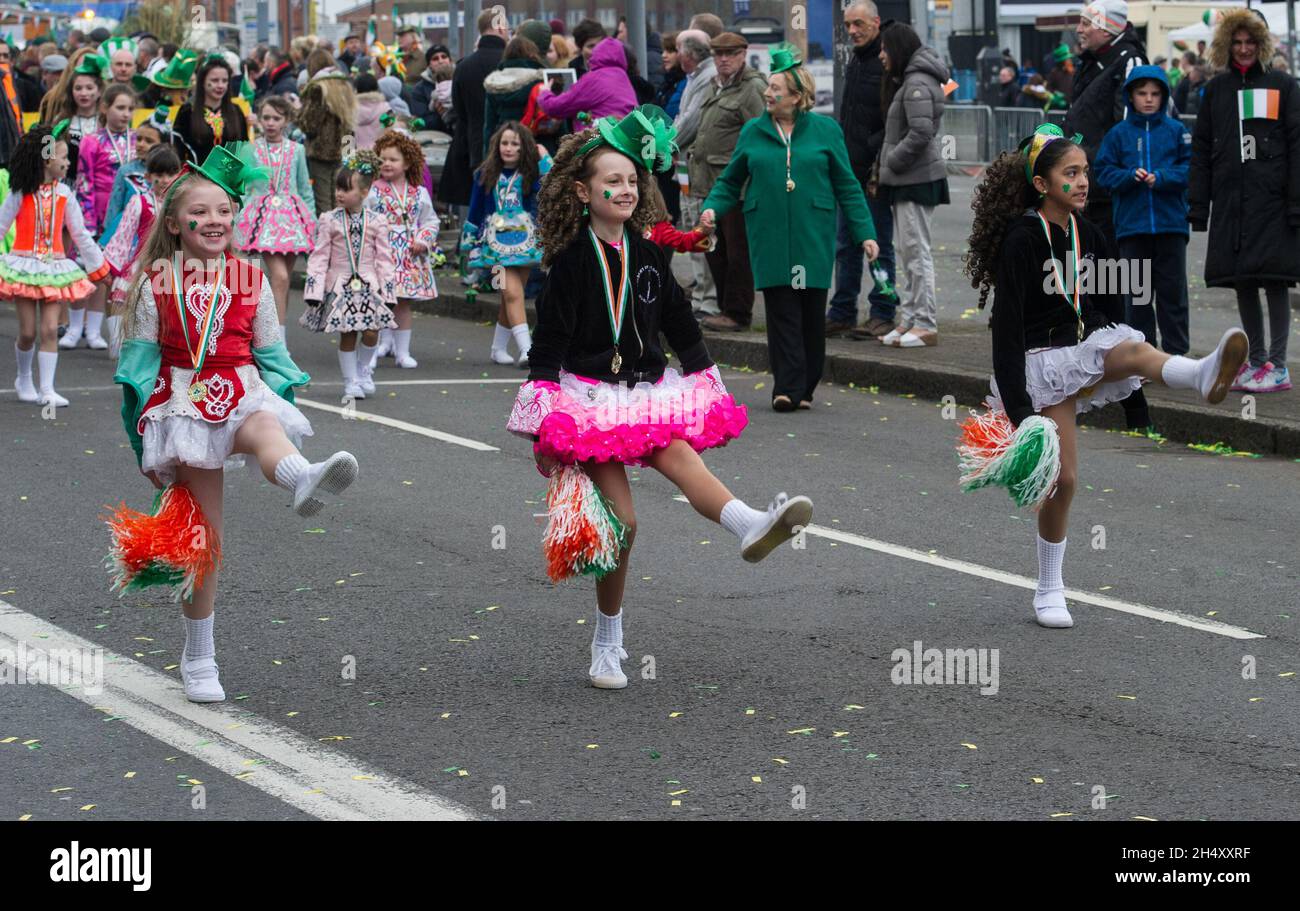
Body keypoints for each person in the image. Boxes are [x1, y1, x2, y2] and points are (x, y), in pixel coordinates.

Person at [507, 106, 809, 690]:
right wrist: (542, 416)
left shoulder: (648, 253)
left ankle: (748, 523)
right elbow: (547, 346)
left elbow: (679, 322)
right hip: (589, 402)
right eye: (611, 181)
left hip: (644, 392)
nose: (624, 189)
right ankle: (607, 638)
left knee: (681, 457)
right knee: (623, 523)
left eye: (630, 180)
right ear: (582, 190)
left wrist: (706, 378)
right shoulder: (569, 264)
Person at [962, 124, 1247, 629]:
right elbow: (1004, 334)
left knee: (1134, 347)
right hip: (1039, 366)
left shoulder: (1090, 234)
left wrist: (1136, 402)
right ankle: (1049, 588)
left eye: (1086, 172)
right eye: (1070, 173)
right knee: (1063, 481)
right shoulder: (1022, 239)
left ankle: (1201, 374)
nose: (1083, 181)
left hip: (1085, 348)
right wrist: (1024, 414)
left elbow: (1110, 312)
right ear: (1042, 183)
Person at [110, 144, 359, 703]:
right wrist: (143, 441)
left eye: (224, 210)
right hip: (182, 405)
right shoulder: (156, 281)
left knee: (266, 427)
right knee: (206, 539)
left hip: (242, 388)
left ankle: (302, 477)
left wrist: (284, 397)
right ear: (174, 225)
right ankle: (199, 655)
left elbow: (272, 355)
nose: (214, 221)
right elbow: (138, 368)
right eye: (200, 213)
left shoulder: (251, 279)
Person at [701, 44, 878, 411]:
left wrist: (866, 233)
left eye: (776, 89)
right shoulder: (753, 131)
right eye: (768, 87)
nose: (768, 93)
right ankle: (786, 387)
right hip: (768, 234)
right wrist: (712, 211)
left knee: (811, 313)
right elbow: (730, 182)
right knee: (781, 311)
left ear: (797, 96)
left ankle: (806, 385)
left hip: (812, 233)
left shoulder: (826, 130)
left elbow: (847, 184)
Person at [1190, 8, 1295, 393]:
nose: (1244, 48)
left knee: (1276, 281)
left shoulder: (1284, 86)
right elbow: (1201, 149)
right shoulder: (1216, 90)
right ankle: (1257, 362)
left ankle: (1278, 365)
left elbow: (1297, 146)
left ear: (1262, 43)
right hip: (1233, 202)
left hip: (1274, 202)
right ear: (1226, 44)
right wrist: (1198, 206)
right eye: (1237, 41)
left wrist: (1296, 202)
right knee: (1244, 281)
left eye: (1251, 41)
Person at [1063, 0, 1153, 430]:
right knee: (1090, 277)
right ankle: (1102, 362)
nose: (1079, 29)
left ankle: (1132, 373)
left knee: (1116, 279)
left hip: (1107, 189)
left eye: (1086, 22)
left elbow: (1125, 126)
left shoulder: (1127, 59)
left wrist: (1094, 166)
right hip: (1086, 188)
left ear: (1108, 28)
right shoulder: (1092, 61)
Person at [1, 124, 110, 407]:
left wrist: (100, 268)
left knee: (50, 329)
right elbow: (1, 226)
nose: (68, 162)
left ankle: (47, 389)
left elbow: (81, 235)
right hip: (24, 267)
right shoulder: (19, 192)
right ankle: (24, 378)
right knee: (27, 332)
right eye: (64, 157)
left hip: (55, 269)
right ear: (46, 159)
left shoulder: (65, 194)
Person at [1094, 66, 1191, 355]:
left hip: (1171, 225)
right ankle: (1142, 355)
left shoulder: (1177, 131)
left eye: (1155, 93)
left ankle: (1176, 354)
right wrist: (1127, 177)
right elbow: (1102, 171)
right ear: (1130, 96)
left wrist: (1162, 178)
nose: (1148, 99)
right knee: (1137, 295)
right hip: (1131, 226)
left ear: (1164, 96)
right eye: (1141, 93)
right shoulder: (1118, 134)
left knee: (1173, 293)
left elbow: (1190, 169)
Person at [827, 0, 897, 340]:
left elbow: (896, 118)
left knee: (878, 243)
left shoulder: (888, 60)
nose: (852, 31)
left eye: (859, 24)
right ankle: (843, 310)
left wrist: (874, 148)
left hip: (874, 173)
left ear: (876, 22)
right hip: (850, 170)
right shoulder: (857, 60)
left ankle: (883, 310)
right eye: (848, 25)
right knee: (845, 244)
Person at [302, 151, 397, 401]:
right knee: (348, 333)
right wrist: (314, 291)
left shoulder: (378, 221)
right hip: (341, 285)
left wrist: (388, 293)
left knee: (372, 331)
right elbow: (319, 257)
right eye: (337, 188)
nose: (339, 194)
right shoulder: (329, 220)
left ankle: (365, 371)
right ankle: (350, 381)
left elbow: (385, 259)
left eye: (346, 189)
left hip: (370, 284)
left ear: (364, 193)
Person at [877, 23, 950, 348]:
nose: (881, 55)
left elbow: (920, 132)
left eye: (885, 48)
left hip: (915, 178)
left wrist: (891, 161)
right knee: (909, 253)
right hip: (911, 178)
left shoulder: (917, 82)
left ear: (898, 49)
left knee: (916, 253)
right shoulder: (913, 79)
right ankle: (911, 318)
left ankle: (924, 322)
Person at [691, 32, 767, 334]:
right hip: (710, 184)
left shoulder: (753, 88)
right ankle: (724, 309)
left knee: (738, 253)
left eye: (731, 53)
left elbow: (763, 134)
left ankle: (737, 312)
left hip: (738, 187)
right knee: (713, 248)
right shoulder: (716, 85)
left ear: (743, 54)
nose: (724, 59)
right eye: (718, 53)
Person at [465, 122, 549, 367]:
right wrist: (468, 244)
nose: (509, 148)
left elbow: (554, 183)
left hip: (525, 242)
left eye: (515, 143)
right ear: (496, 145)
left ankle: (497, 348)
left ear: (525, 147)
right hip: (492, 243)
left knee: (511, 297)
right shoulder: (484, 174)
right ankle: (528, 350)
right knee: (512, 292)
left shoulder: (532, 174)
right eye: (505, 143)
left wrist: (544, 158)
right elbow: (475, 209)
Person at [235, 96, 316, 348]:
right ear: (259, 118)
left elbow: (304, 188)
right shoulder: (250, 149)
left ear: (287, 121)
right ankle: (276, 343)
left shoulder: (297, 150)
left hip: (293, 218)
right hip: (262, 218)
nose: (270, 123)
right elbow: (244, 188)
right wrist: (240, 216)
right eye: (266, 117)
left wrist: (311, 221)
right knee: (279, 276)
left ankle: (274, 333)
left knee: (284, 279)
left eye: (276, 118)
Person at [367, 130, 440, 369]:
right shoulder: (374, 190)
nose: (386, 163)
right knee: (382, 301)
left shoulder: (418, 192)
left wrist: (423, 238)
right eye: (383, 159)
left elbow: (431, 220)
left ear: (407, 163)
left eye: (393, 159)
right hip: (382, 253)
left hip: (408, 254)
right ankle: (378, 344)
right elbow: (364, 218)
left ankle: (402, 351)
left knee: (403, 303)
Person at [101, 144, 181, 356]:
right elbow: (124, 235)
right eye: (159, 174)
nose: (165, 180)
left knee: (170, 308)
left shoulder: (182, 204)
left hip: (175, 265)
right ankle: (124, 346)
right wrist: (113, 267)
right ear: (147, 176)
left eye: (171, 173)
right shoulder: (139, 201)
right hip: (143, 264)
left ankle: (167, 348)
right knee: (131, 304)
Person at [672, 30, 718, 318]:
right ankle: (702, 296)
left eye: (677, 49)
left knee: (700, 230)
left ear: (688, 54)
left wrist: (665, 141)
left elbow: (688, 123)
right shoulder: (695, 77)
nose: (675, 54)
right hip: (686, 167)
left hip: (697, 168)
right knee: (691, 229)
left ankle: (708, 299)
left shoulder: (706, 78)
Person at [441, 9, 508, 208]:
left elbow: (459, 109)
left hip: (475, 147)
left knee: (479, 208)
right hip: (509, 145)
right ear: (500, 27)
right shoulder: (509, 63)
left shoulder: (464, 66)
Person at [298, 50, 355, 215]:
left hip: (320, 154)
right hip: (343, 152)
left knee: (323, 203)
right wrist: (349, 154)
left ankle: (327, 237)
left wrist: (297, 111)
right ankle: (342, 235)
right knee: (341, 199)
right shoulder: (345, 85)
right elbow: (350, 123)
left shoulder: (317, 88)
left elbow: (309, 124)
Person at [537, 37, 637, 125]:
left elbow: (557, 107)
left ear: (596, 55)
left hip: (603, 138)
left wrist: (545, 93)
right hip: (625, 136)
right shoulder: (623, 77)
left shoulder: (594, 78)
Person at [174, 55, 249, 165]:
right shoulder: (188, 111)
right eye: (214, 80)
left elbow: (244, 148)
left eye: (225, 81)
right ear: (202, 82)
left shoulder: (236, 111)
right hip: (197, 177)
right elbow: (178, 150)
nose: (220, 85)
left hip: (229, 179)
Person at [483, 36, 546, 150]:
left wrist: (488, 155)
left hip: (504, 145)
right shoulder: (541, 80)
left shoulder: (493, 82)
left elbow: (489, 126)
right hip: (535, 144)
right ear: (532, 54)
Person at [410, 44, 451, 121]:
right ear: (429, 65)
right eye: (435, 59)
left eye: (444, 57)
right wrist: (438, 112)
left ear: (450, 60)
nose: (440, 61)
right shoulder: (419, 90)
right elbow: (421, 121)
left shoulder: (460, 81)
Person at [353, 72, 390, 149]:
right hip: (380, 152)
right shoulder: (386, 108)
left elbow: (346, 136)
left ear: (356, 89)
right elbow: (390, 132)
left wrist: (347, 157)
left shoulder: (349, 110)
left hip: (355, 155)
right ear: (376, 88)